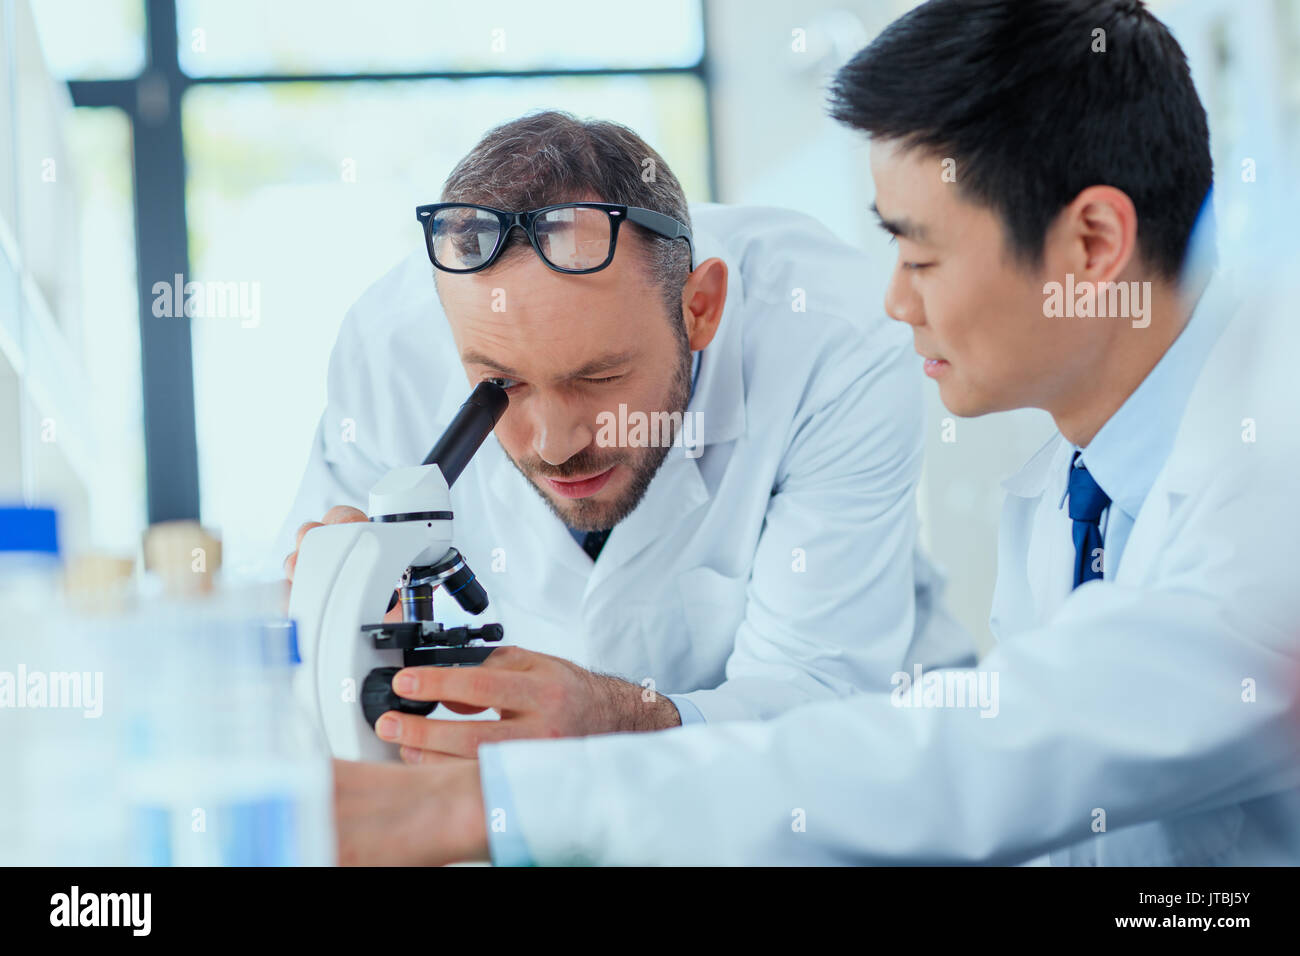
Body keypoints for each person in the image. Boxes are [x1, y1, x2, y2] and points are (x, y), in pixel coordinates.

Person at [332, 0, 1300, 866]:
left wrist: (496, 806)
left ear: (1092, 244)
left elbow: (975, 752)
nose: (893, 300)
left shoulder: (1272, 476)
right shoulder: (1072, 491)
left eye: (917, 253)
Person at [279, 111, 971, 763]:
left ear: (699, 308)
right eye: (501, 384)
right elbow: (306, 674)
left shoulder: (833, 336)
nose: (554, 443)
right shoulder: (389, 350)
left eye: (599, 376)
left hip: (856, 794)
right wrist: (333, 617)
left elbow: (818, 696)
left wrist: (620, 722)